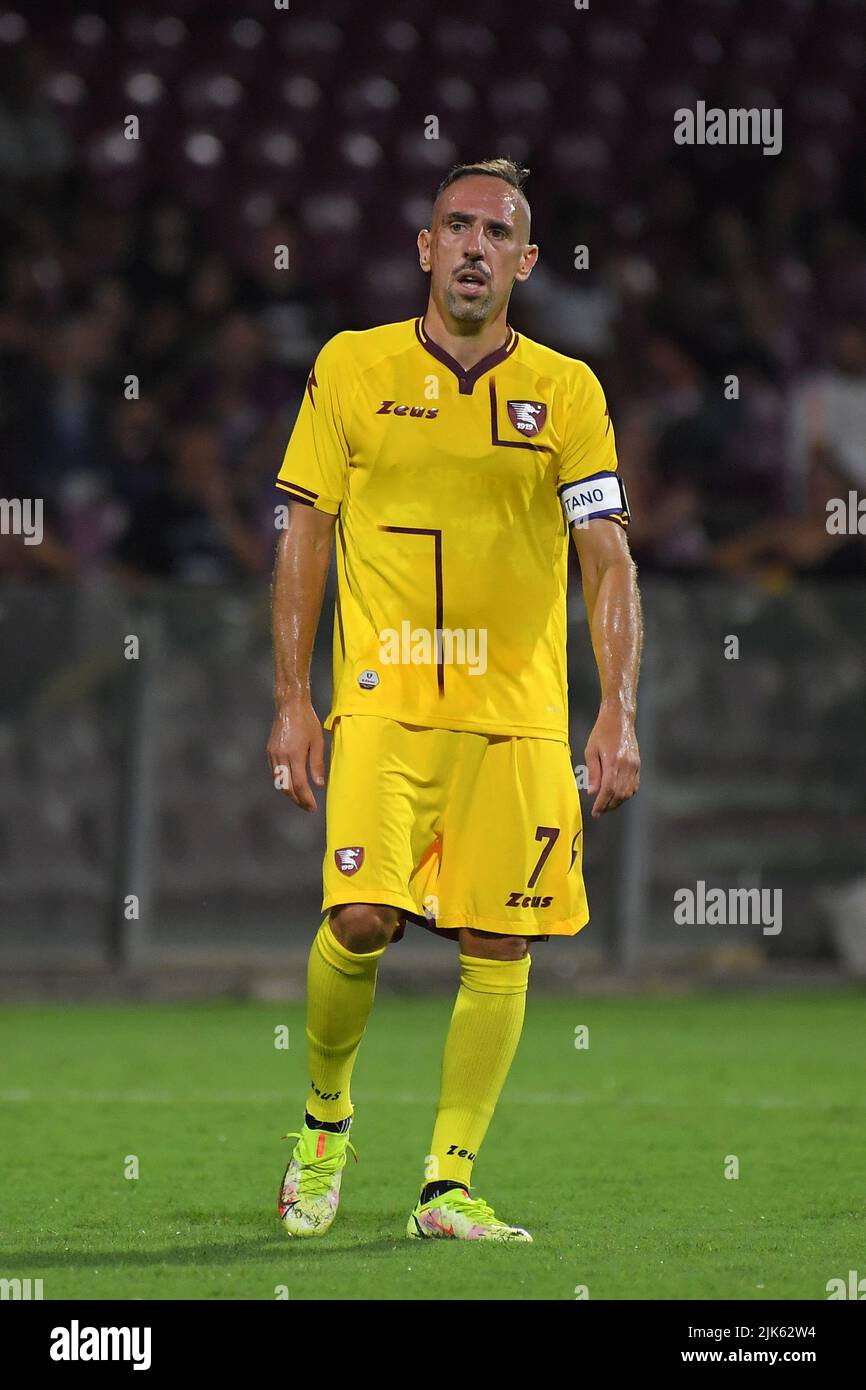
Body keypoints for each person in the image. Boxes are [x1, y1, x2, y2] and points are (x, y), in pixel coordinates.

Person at [267, 158, 642, 1243]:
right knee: (361, 914)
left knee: (499, 943)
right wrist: (294, 698)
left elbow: (606, 558)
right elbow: (304, 532)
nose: (474, 247)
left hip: (516, 710)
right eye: (455, 226)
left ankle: (447, 1183)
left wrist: (615, 705)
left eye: (497, 234)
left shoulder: (567, 390)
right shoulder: (349, 366)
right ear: (425, 247)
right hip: (382, 698)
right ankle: (325, 1123)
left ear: (526, 262)